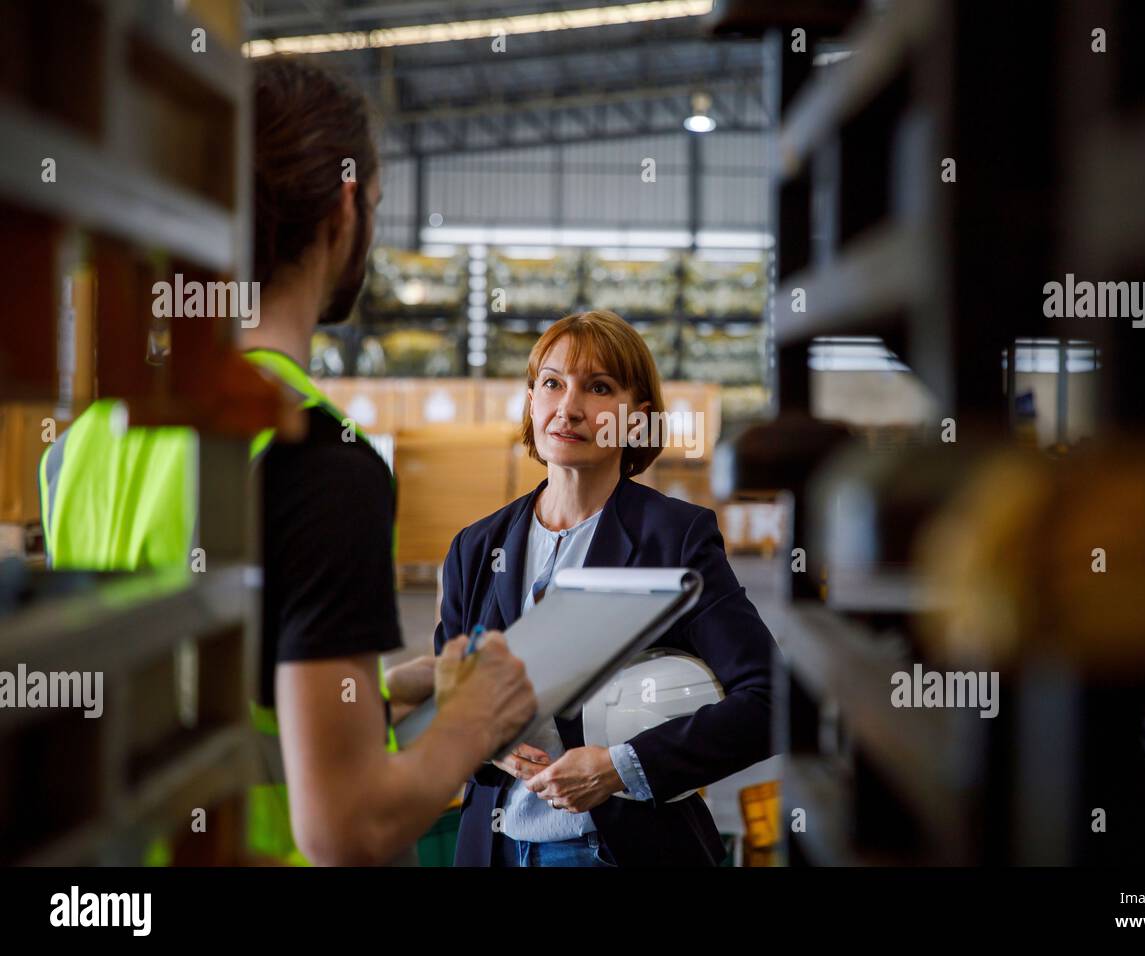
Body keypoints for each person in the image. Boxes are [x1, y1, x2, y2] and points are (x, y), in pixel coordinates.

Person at [38, 57, 536, 866]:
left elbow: (198, 688)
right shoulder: (319, 457)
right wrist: (473, 721)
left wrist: (384, 687)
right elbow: (347, 827)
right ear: (345, 208)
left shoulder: (91, 439)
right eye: (373, 204)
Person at [434, 309, 778, 867]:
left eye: (598, 388)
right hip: (495, 849)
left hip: (619, 851)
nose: (568, 408)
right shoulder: (476, 548)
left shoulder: (674, 538)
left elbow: (770, 699)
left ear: (636, 418)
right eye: (551, 383)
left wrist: (622, 767)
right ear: (531, 400)